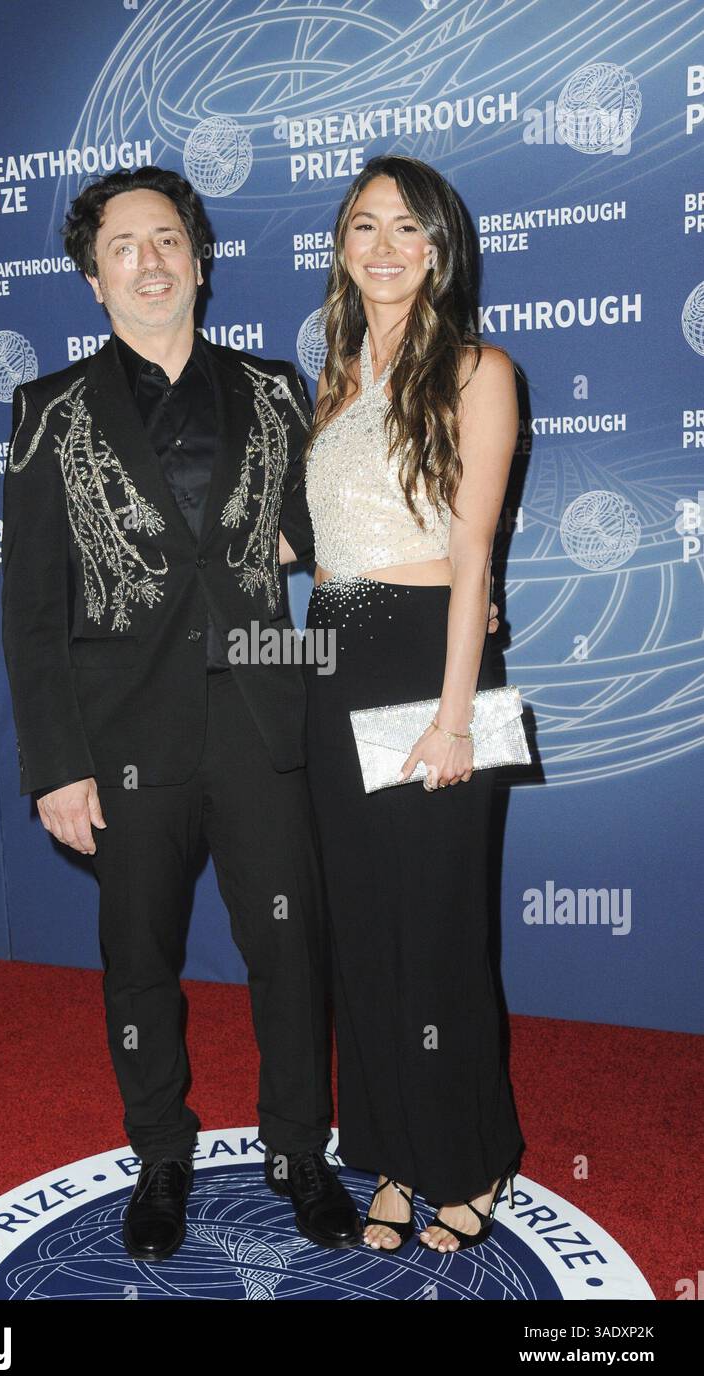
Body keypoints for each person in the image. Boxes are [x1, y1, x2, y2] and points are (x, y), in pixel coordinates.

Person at [0, 165, 365, 1262]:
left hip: (264, 718)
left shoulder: (273, 390)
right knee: (139, 961)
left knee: (291, 955)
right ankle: (159, 1153)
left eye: (168, 240)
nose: (149, 261)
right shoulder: (49, 410)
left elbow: (322, 539)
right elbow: (29, 611)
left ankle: (299, 1148)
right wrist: (53, 765)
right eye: (124, 246)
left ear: (198, 260)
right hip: (123, 741)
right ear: (92, 276)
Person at [301, 154, 526, 1255]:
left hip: (431, 661)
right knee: (364, 933)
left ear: (440, 247)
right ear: (341, 246)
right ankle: (391, 1152)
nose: (382, 246)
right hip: (333, 653)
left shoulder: (480, 369)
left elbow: (472, 550)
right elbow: (323, 542)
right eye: (362, 225)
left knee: (437, 930)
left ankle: (469, 1154)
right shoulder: (334, 375)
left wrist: (450, 717)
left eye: (406, 227)